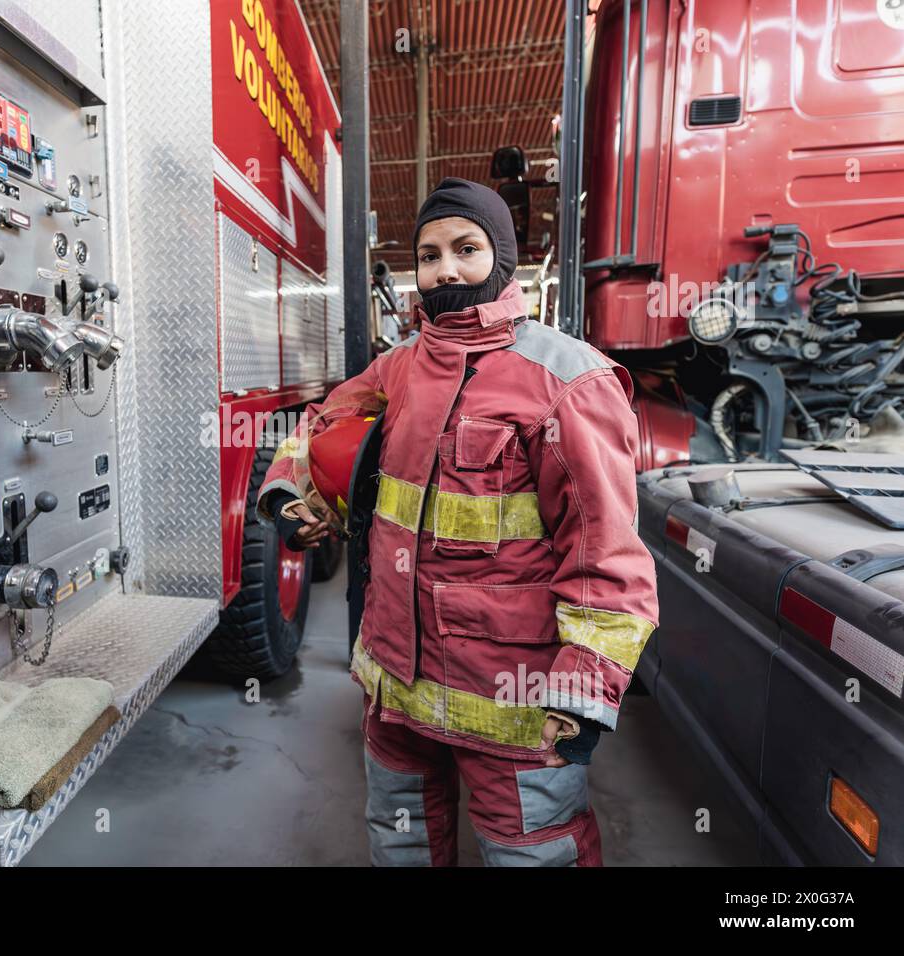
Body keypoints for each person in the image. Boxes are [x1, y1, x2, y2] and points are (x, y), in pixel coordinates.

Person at [257, 178, 659, 866]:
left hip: (513, 705)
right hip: (395, 691)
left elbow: (607, 557)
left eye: (466, 249)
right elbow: (323, 421)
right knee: (401, 842)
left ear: (502, 258)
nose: (446, 269)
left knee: (532, 854)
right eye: (430, 253)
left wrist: (585, 690)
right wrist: (290, 495)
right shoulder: (403, 366)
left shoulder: (568, 381)